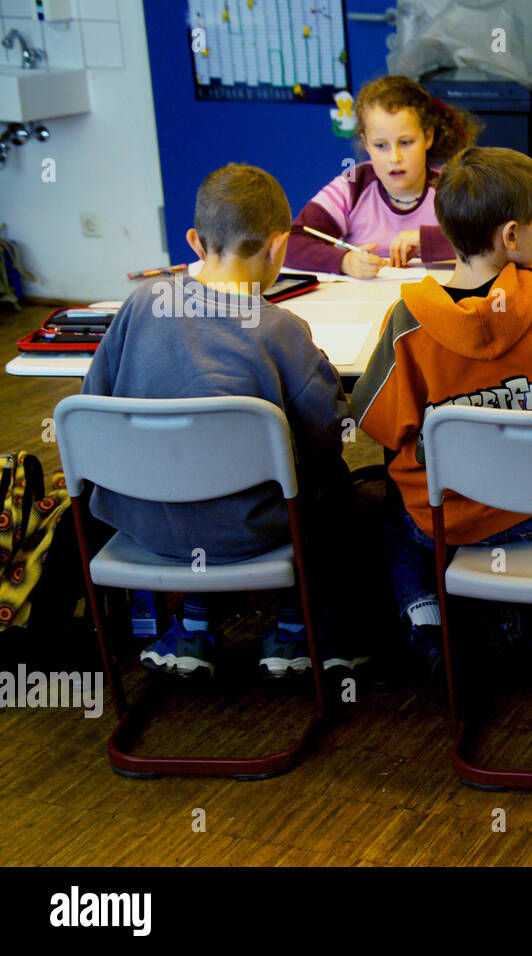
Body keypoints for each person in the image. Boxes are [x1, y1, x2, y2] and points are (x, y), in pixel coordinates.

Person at [82, 164, 361, 679]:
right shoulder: (280, 330)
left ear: (194, 239)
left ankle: (193, 619)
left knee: (188, 467)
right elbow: (327, 437)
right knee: (339, 487)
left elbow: (92, 402)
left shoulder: (141, 304)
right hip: (246, 528)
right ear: (279, 246)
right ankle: (297, 627)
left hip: (144, 521)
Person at [352, 147, 532, 672]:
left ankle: (424, 622)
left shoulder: (407, 322)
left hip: (448, 515)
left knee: (390, 504)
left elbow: (377, 420)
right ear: (512, 236)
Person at [285, 75, 480, 278]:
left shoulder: (452, 186)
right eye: (380, 146)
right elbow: (291, 241)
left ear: (428, 136)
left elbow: (494, 242)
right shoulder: (352, 185)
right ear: (366, 142)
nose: (395, 158)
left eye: (405, 142)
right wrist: (344, 261)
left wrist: (428, 241)